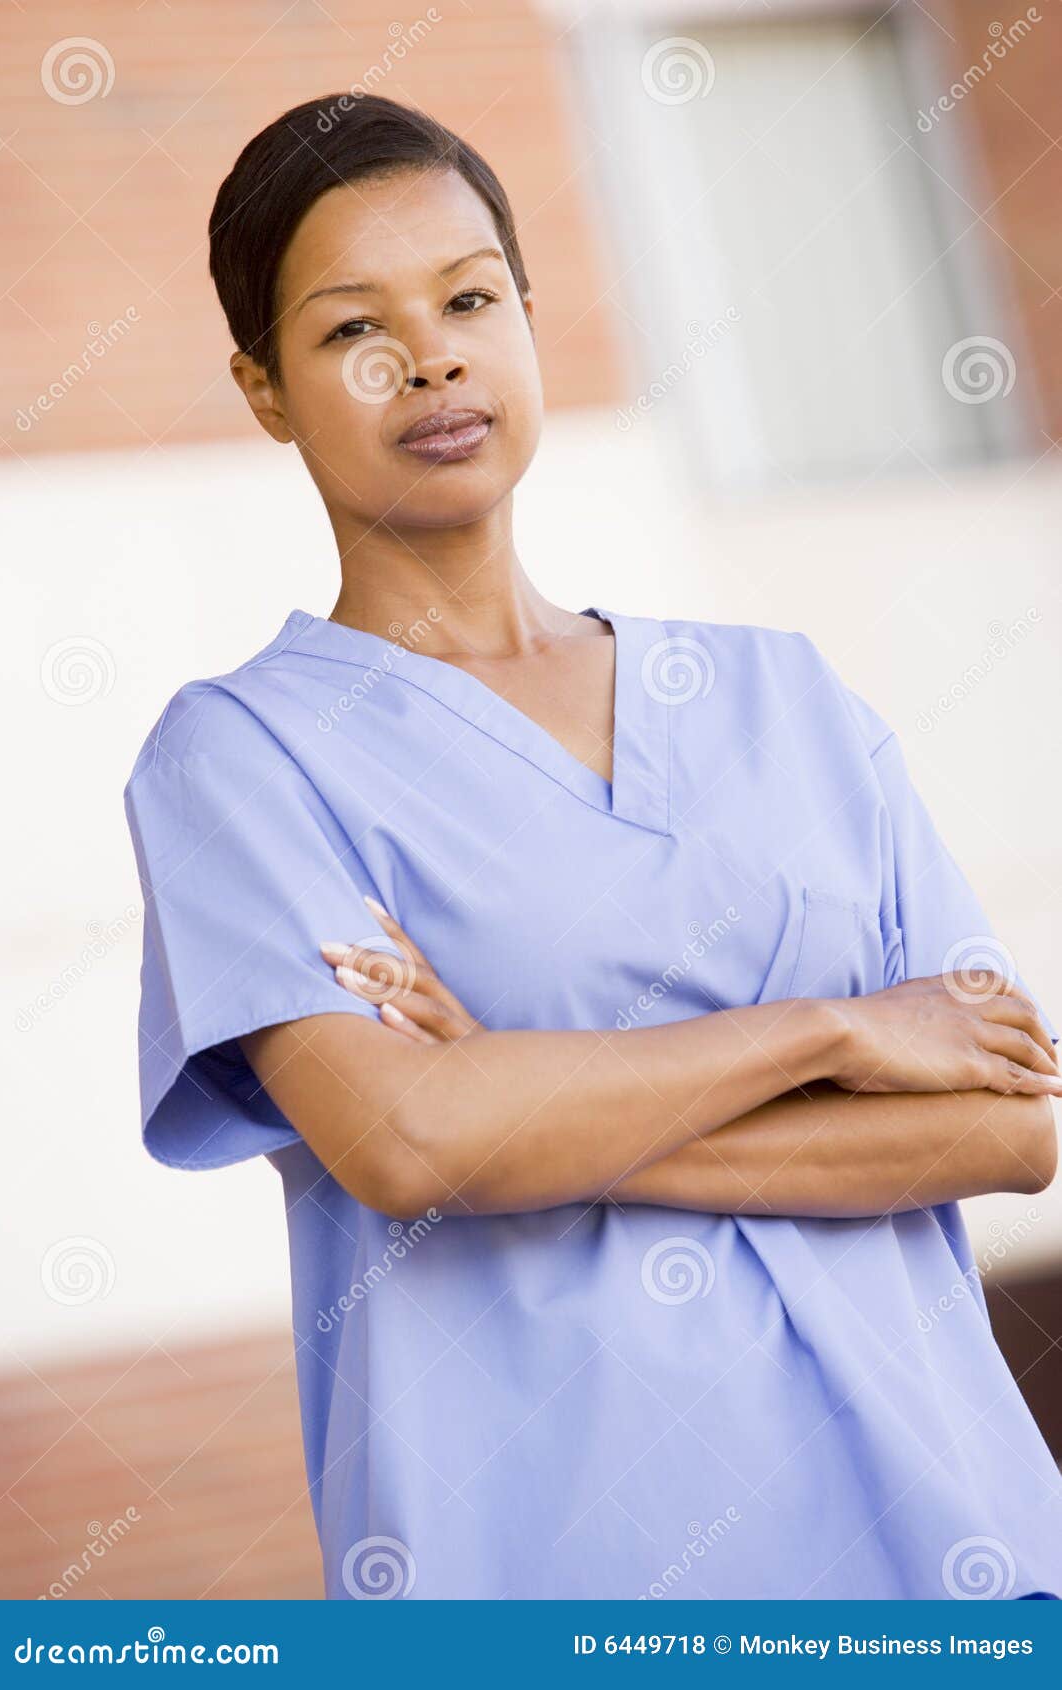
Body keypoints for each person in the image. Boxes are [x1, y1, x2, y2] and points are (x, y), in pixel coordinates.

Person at [123, 92, 1062, 1602]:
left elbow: (1012, 1129)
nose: (431, 358)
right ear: (266, 390)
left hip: (952, 1558)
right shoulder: (242, 756)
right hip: (558, 1582)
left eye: (470, 300)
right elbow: (411, 1146)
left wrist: (522, 1098)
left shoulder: (788, 697)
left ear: (525, 316)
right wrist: (835, 1032)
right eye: (354, 328)